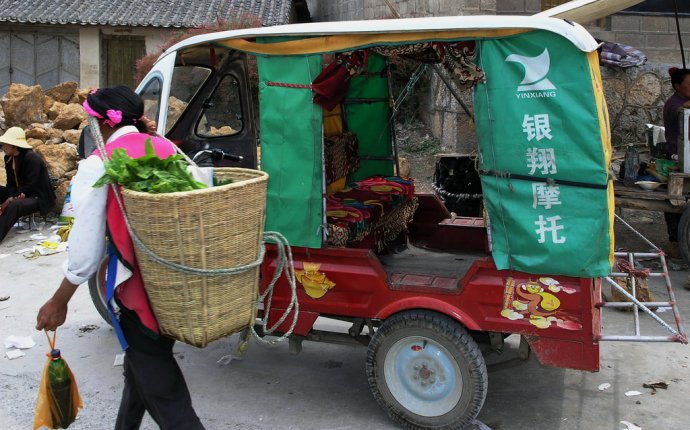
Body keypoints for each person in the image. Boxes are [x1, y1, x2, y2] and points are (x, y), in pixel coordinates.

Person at [36, 86, 205, 429]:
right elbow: (201, 191)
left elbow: (87, 247)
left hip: (136, 294)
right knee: (140, 370)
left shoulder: (100, 163)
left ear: (101, 123)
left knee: (167, 395)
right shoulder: (166, 147)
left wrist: (59, 300)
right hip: (175, 286)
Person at [0, 126, 56, 243]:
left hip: (37, 196)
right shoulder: (8, 158)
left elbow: (31, 186)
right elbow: (10, 183)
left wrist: (11, 199)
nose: (3, 146)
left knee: (15, 205)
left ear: (14, 146)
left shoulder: (32, 159)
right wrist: (12, 195)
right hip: (20, 192)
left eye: (5, 144)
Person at [662, 68, 690, 259]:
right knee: (673, 203)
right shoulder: (674, 105)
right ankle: (676, 242)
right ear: (677, 86)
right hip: (675, 155)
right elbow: (682, 111)